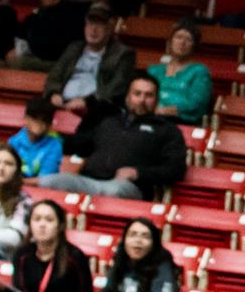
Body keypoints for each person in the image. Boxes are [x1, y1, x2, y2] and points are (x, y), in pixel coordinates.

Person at [37, 76, 187, 200]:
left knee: (113, 191)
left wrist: (138, 173)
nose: (142, 100)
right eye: (137, 94)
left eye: (148, 95)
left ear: (156, 100)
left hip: (127, 187)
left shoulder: (167, 130)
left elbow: (176, 170)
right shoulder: (109, 120)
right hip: (88, 180)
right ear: (128, 97)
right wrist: (45, 134)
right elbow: (77, 145)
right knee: (49, 182)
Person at [44, 4, 138, 125]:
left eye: (99, 25)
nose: (93, 29)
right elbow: (54, 75)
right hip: (62, 104)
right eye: (90, 23)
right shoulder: (74, 48)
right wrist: (54, 93)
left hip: (95, 109)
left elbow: (116, 87)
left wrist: (87, 101)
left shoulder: (123, 54)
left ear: (109, 28)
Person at [3, 199, 96, 292]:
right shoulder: (22, 254)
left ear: (60, 225)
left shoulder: (75, 257)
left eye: (49, 220)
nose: (42, 225)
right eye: (37, 219)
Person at [100, 216, 181, 292]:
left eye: (145, 236)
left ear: (153, 243)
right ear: (125, 239)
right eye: (133, 234)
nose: (138, 241)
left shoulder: (163, 264)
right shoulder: (120, 260)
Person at [11, 0, 87, 70]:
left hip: (59, 66)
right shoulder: (33, 17)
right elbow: (18, 38)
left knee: (20, 62)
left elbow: (55, 49)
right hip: (35, 62)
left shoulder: (74, 13)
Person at [147, 20, 215, 125]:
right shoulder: (154, 70)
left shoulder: (200, 72)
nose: (182, 42)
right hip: (149, 119)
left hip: (180, 123)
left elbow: (196, 104)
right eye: (178, 37)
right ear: (170, 42)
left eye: (188, 39)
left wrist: (163, 111)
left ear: (194, 46)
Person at [9, 96, 65, 179]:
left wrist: (18, 182)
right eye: (35, 119)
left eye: (45, 120)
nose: (40, 124)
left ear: (50, 124)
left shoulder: (54, 146)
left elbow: (45, 180)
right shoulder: (14, 142)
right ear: (26, 119)